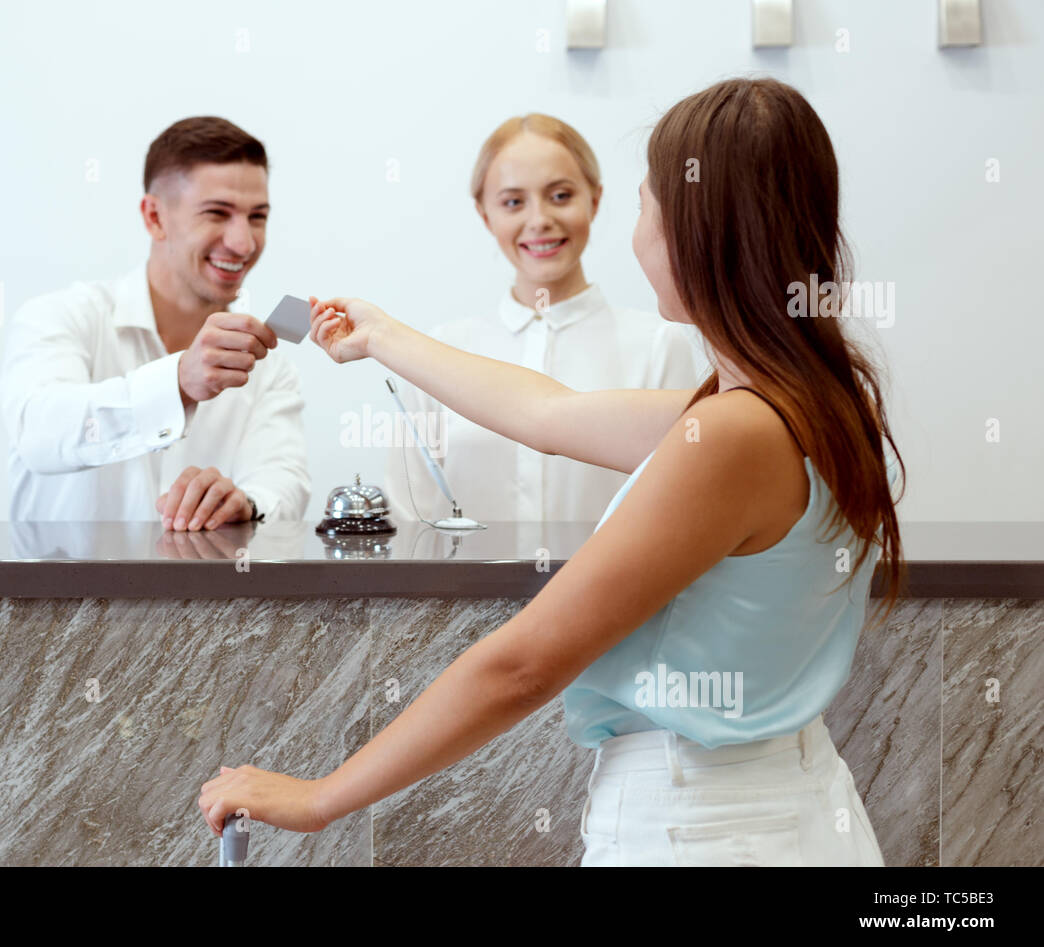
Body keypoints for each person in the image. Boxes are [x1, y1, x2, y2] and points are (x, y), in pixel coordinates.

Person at [198, 77, 906, 866]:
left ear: (695, 231)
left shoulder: (734, 431)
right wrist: (383, 335)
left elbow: (524, 663)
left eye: (645, 205)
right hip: (780, 807)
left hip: (703, 828)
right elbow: (549, 414)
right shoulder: (799, 403)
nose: (636, 232)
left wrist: (319, 796)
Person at [385, 115, 706, 526]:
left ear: (594, 199)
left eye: (560, 195)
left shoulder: (659, 344)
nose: (539, 220)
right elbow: (411, 515)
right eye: (513, 202)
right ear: (485, 216)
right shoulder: (439, 351)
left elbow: (675, 505)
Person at [0, 116, 309, 530]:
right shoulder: (61, 317)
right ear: (154, 218)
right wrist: (178, 383)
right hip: (58, 597)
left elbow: (283, 483)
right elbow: (38, 436)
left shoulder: (268, 367)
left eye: (258, 217)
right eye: (218, 213)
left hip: (206, 596)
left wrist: (247, 504)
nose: (244, 243)